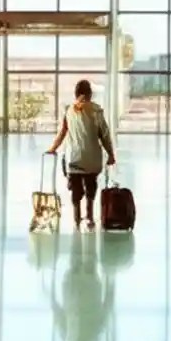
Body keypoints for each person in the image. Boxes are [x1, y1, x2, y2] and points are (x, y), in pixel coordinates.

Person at [47, 79, 117, 231]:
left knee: (76, 190)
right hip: (92, 159)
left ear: (76, 94)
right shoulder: (96, 111)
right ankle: (90, 217)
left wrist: (52, 148)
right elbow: (104, 135)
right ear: (90, 94)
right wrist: (111, 155)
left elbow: (63, 133)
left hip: (74, 159)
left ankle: (76, 219)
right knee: (91, 187)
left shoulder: (69, 110)